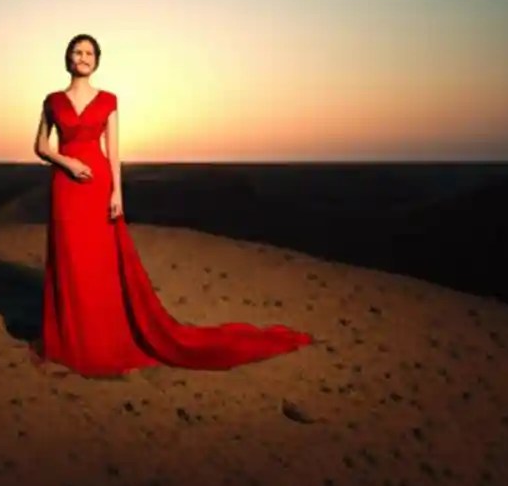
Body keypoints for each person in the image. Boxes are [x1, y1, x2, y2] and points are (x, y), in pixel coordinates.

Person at [31, 33, 314, 377]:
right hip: (66, 188)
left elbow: (115, 152)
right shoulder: (52, 101)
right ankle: (71, 339)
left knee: (99, 262)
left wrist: (117, 193)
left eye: (89, 52)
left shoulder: (108, 100)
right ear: (69, 58)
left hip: (98, 186)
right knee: (69, 260)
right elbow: (41, 146)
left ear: (96, 60)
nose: (83, 56)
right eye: (78, 51)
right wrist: (67, 162)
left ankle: (103, 337)